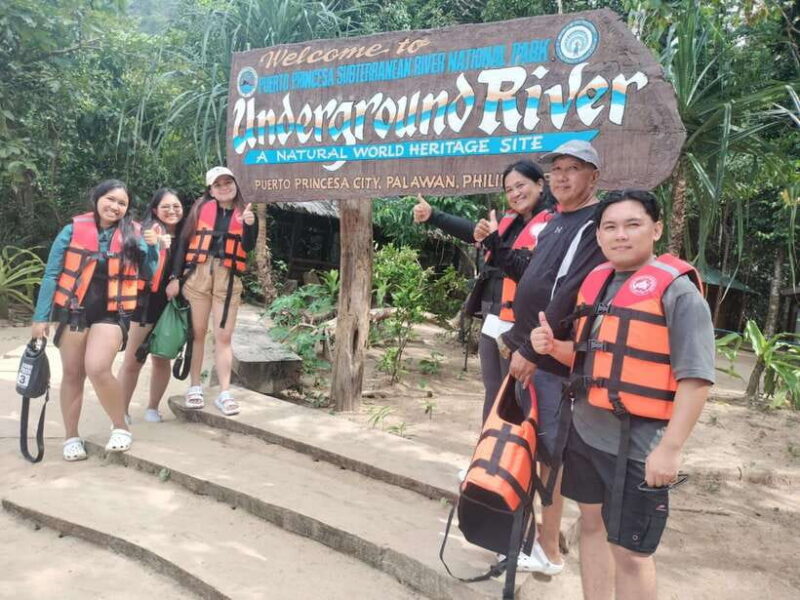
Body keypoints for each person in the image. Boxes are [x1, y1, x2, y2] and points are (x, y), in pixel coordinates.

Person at [531, 190, 714, 599]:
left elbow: (696, 378)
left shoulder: (678, 293)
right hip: (587, 432)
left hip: (639, 446)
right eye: (610, 227)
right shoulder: (597, 284)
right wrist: (551, 347)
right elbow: (589, 361)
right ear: (598, 236)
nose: (621, 235)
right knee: (592, 526)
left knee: (630, 551)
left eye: (633, 224)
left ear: (656, 229)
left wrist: (671, 448)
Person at [490, 140, 607, 574]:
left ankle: (548, 549)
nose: (560, 176)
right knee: (528, 444)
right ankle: (528, 538)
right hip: (527, 347)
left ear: (593, 176)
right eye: (556, 168)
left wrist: (530, 351)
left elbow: (570, 292)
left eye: (571, 169)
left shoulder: (593, 222)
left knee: (548, 454)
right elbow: (535, 275)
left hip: (549, 358)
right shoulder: (558, 220)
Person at [412, 160, 554, 421]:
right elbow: (472, 233)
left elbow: (526, 271)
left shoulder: (554, 226)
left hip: (524, 324)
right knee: (492, 391)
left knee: (518, 395)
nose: (515, 194)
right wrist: (433, 215)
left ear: (540, 184)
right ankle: (487, 455)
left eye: (520, 185)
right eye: (509, 189)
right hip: (493, 316)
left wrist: (493, 239)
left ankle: (516, 456)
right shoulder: (506, 220)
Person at [30, 179, 160, 460]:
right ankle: (71, 437)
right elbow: (52, 274)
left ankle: (120, 427)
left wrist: (152, 247)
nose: (115, 206)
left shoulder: (134, 234)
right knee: (73, 374)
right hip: (75, 311)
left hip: (111, 313)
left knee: (98, 368)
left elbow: (149, 273)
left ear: (127, 209)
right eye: (110, 199)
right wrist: (40, 318)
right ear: (97, 198)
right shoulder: (71, 231)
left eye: (122, 203)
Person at [167, 166, 257, 416]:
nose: (224, 187)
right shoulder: (199, 210)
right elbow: (183, 244)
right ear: (211, 190)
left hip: (227, 279)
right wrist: (175, 277)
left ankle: (224, 392)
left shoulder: (246, 212)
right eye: (218, 184)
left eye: (228, 182)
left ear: (235, 184)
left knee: (223, 336)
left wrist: (249, 225)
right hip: (198, 273)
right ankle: (194, 386)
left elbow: (248, 246)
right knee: (197, 333)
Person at [118, 188, 185, 423]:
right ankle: (121, 411)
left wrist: (178, 279)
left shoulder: (188, 235)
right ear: (155, 210)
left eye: (176, 206)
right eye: (165, 207)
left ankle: (152, 407)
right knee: (134, 359)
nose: (171, 211)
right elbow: (139, 263)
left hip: (170, 306)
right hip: (144, 303)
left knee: (161, 357)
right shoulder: (146, 232)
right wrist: (156, 245)